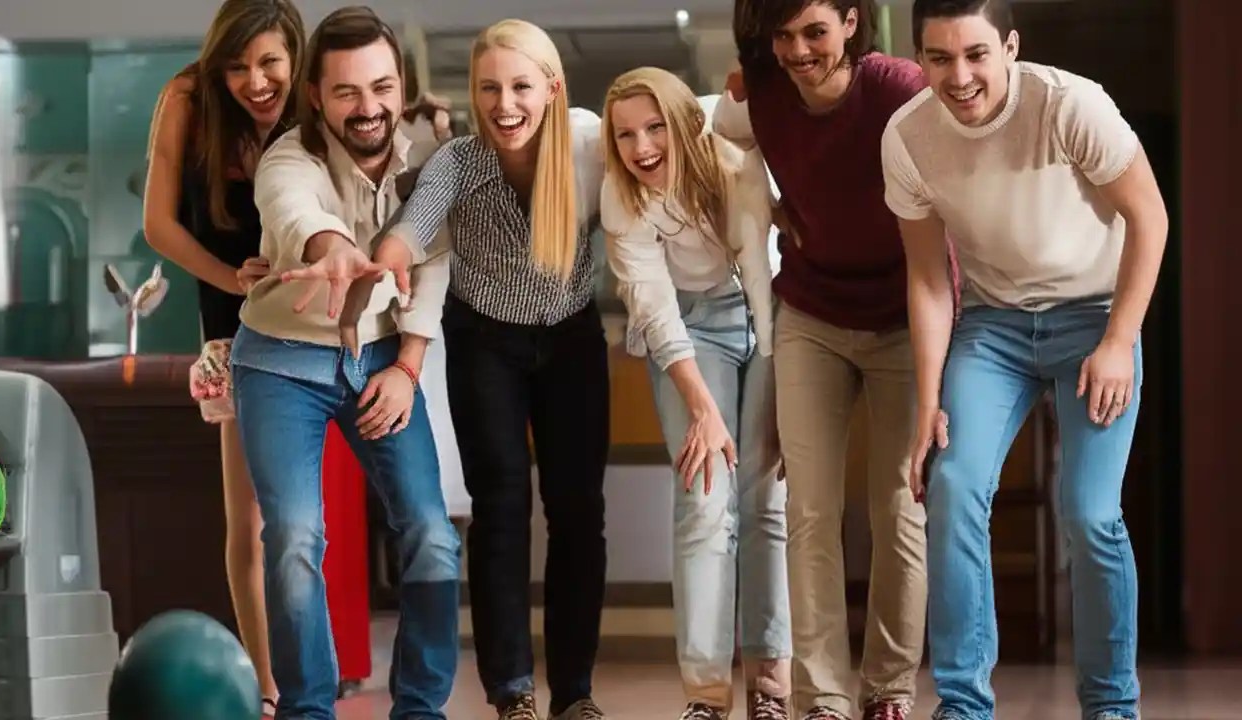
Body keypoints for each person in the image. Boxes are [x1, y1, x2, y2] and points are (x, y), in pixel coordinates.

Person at [294, 17, 611, 720]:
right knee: (500, 509)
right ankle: (512, 691)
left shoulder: (587, 146)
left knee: (578, 513)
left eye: (522, 87)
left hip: (572, 340)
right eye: (490, 88)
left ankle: (576, 693)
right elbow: (411, 230)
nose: (506, 105)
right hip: (485, 341)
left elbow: (684, 133)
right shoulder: (459, 162)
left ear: (552, 90)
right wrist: (377, 268)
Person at [881, 1, 1168, 719]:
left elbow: (1149, 217)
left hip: (1095, 316)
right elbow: (926, 279)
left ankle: (1111, 705)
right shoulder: (908, 136)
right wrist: (927, 407)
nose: (960, 76)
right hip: (993, 326)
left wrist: (1118, 342)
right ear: (919, 57)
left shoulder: (1071, 105)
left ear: (1010, 46)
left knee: (1091, 512)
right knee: (950, 488)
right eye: (939, 58)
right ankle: (963, 703)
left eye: (976, 54)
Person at [228, 7, 462, 719]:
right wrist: (332, 249)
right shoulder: (286, 157)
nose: (369, 108)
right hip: (279, 364)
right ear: (314, 98)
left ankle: (420, 707)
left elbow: (437, 262)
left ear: (402, 85)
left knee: (430, 532)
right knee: (296, 536)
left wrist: (408, 368)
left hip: (386, 360)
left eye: (382, 88)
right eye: (347, 93)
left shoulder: (430, 159)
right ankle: (307, 709)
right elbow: (295, 212)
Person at [715, 1, 933, 717]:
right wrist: (769, 209)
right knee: (808, 509)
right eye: (783, 36)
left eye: (814, 30)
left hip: (904, 318)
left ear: (849, 20)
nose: (800, 50)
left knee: (898, 507)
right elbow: (704, 138)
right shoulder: (766, 91)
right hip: (811, 313)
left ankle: (890, 690)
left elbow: (948, 200)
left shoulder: (897, 89)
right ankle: (826, 697)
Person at [598, 66, 789, 720]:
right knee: (706, 497)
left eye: (655, 128)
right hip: (687, 326)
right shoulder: (620, 195)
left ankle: (770, 684)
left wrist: (776, 386)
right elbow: (653, 310)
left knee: (766, 495)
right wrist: (706, 412)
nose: (641, 147)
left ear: (684, 123)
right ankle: (707, 695)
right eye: (624, 134)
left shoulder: (733, 155)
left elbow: (761, 276)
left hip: (768, 312)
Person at [141, 0, 304, 713]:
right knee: (251, 522)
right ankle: (267, 692)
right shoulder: (187, 98)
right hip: (233, 333)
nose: (255, 80)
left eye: (269, 62)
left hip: (314, 335)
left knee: (307, 522)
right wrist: (228, 277)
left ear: (293, 55)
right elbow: (158, 226)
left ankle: (309, 680)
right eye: (237, 65)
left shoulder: (313, 103)